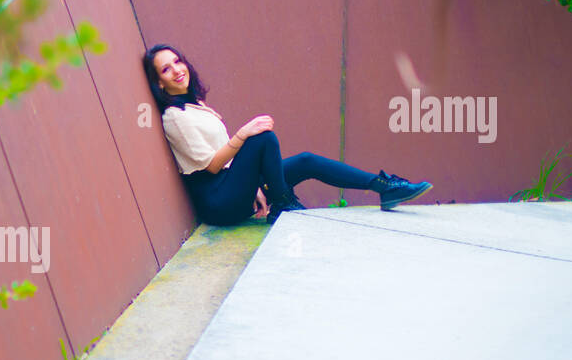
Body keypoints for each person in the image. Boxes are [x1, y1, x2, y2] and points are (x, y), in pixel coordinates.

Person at [143, 44, 432, 226]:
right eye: (166, 69)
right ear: (158, 82)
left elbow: (229, 167)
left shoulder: (195, 105)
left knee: (305, 161)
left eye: (178, 62)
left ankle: (384, 187)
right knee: (260, 138)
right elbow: (211, 166)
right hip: (219, 204)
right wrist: (241, 136)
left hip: (232, 189)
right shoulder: (174, 117)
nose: (177, 70)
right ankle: (281, 201)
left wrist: (253, 187)